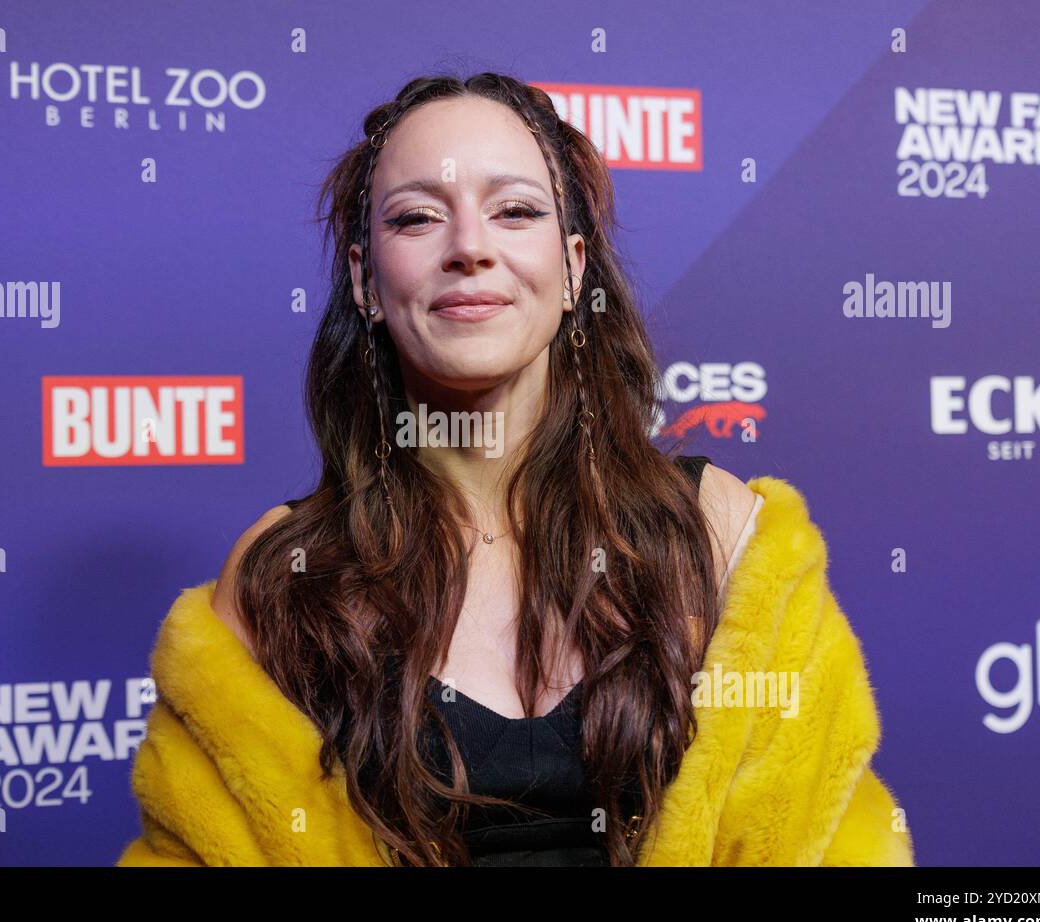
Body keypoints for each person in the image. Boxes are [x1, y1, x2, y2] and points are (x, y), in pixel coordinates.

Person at [116, 72, 915, 867]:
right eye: (419, 216)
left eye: (516, 211)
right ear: (365, 280)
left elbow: (830, 840)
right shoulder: (284, 577)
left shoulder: (720, 534)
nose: (470, 247)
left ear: (573, 270)